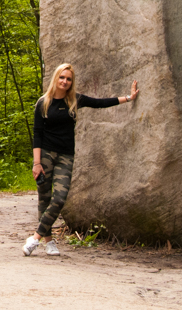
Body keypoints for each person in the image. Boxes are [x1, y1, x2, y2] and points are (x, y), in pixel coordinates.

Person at [23, 63, 139, 256]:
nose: (65, 81)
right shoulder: (43, 102)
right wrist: (36, 163)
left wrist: (128, 98)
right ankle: (49, 242)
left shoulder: (75, 100)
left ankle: (35, 238)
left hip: (66, 156)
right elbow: (37, 134)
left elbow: (100, 102)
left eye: (68, 79)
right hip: (45, 156)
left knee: (59, 199)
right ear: (56, 78)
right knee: (44, 199)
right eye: (62, 77)